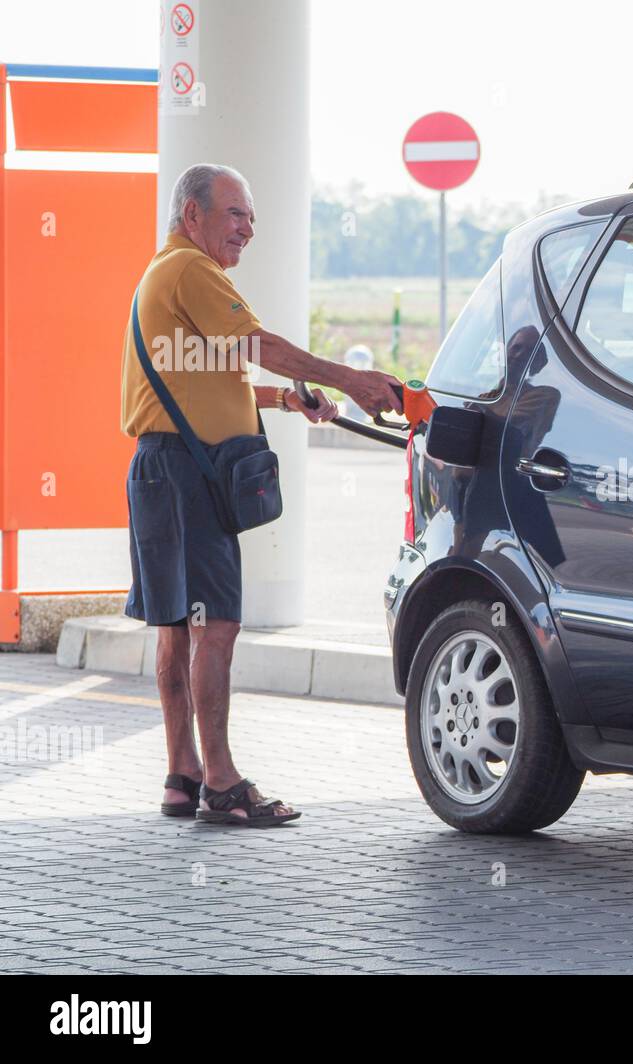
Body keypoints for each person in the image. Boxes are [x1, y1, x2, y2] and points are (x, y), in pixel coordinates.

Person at [120, 162, 401, 826]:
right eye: (236, 214)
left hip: (159, 467)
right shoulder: (193, 271)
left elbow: (208, 378)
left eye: (251, 216)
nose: (249, 228)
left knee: (176, 628)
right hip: (187, 474)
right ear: (193, 215)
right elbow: (260, 345)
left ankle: (182, 776)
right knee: (216, 626)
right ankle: (221, 782)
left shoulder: (165, 276)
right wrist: (353, 381)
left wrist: (285, 399)